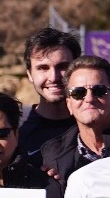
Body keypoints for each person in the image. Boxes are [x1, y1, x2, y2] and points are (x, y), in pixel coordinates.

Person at [36, 55, 110, 184]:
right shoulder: (52, 159)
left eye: (99, 91)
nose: (89, 99)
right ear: (69, 104)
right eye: (78, 93)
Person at [17, 28, 82, 156]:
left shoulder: (97, 125)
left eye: (63, 67)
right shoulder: (18, 136)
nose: (53, 77)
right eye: (43, 68)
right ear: (30, 74)